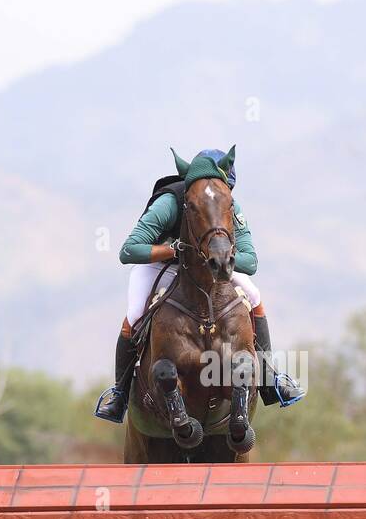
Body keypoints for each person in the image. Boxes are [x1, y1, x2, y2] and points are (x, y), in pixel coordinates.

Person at [94, 147, 305, 423]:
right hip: (164, 263)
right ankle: (120, 393)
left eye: (223, 190)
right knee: (134, 314)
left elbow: (250, 261)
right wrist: (174, 251)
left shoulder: (229, 205)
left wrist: (219, 256)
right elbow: (129, 250)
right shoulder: (170, 202)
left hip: (210, 264)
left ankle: (269, 378)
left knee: (254, 296)